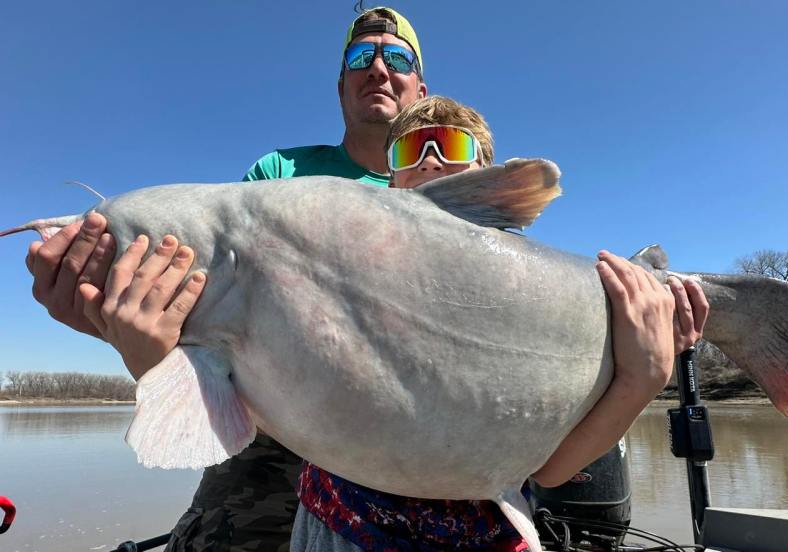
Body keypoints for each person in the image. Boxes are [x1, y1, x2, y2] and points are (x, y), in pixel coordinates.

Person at [22, 8, 708, 552]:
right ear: (342, 87)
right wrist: (147, 350)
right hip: (298, 448)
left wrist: (644, 374)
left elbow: (549, 464)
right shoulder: (276, 176)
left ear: (421, 86)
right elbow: (224, 341)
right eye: (359, 58)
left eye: (398, 59)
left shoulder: (486, 238)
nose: (378, 69)